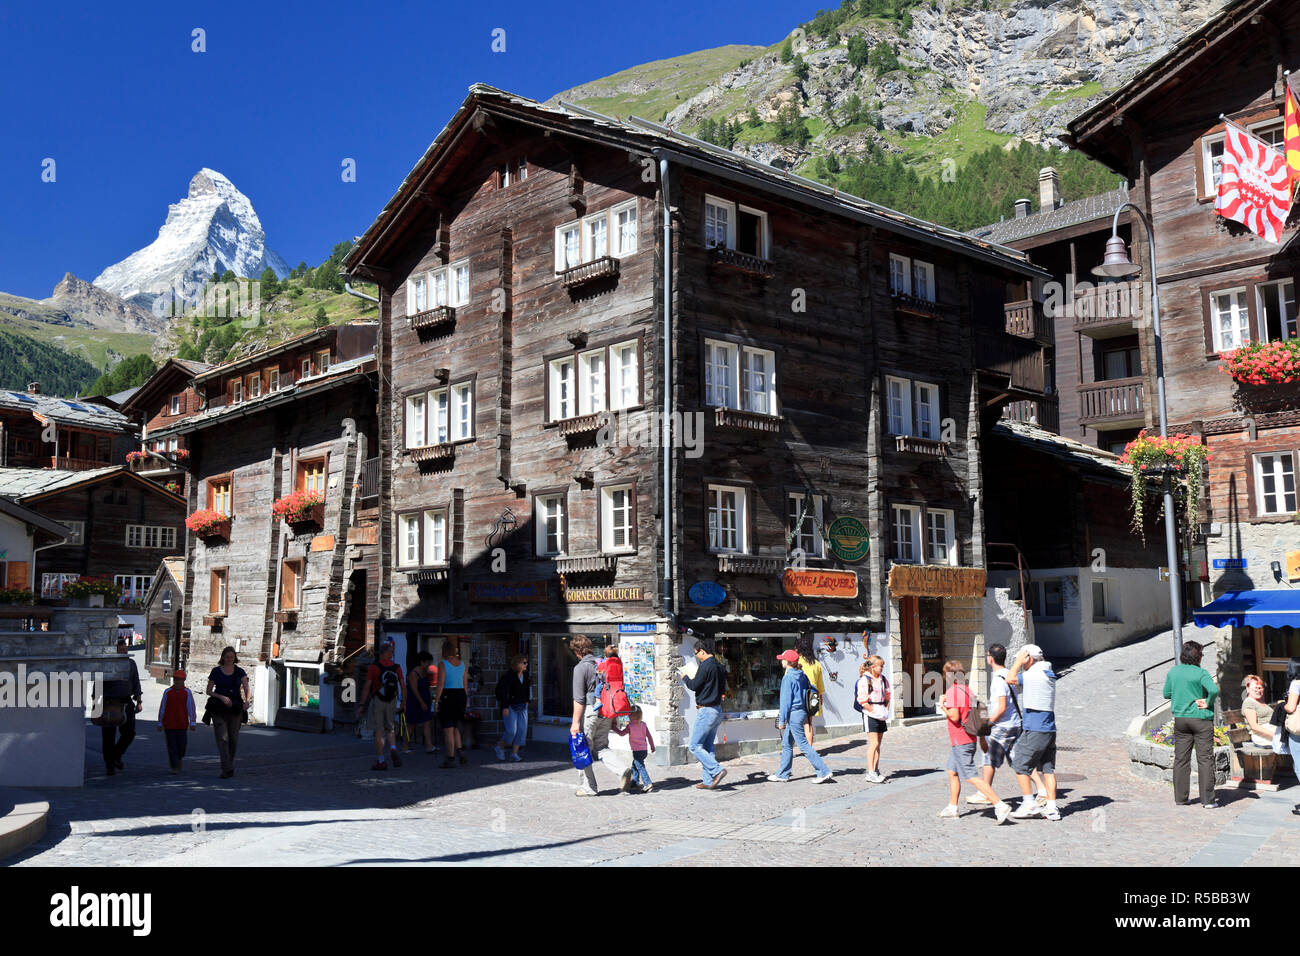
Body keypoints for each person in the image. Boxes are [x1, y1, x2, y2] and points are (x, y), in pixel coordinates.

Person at [968, 643, 1044, 806]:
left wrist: (988, 723)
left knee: (988, 757)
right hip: (1016, 723)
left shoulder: (997, 679)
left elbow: (1001, 707)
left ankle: (984, 792)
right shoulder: (1010, 674)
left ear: (990, 658)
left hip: (1002, 725)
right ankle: (1041, 789)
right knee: (1020, 758)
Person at [938, 660, 1013, 823]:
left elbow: (955, 717)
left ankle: (999, 804)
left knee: (971, 776)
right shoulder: (968, 691)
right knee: (952, 771)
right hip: (969, 738)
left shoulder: (952, 692)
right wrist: (981, 740)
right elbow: (977, 715)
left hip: (961, 740)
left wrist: (942, 704)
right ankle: (952, 807)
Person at [572, 635, 634, 796]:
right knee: (602, 747)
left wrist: (575, 723)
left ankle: (588, 787)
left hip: (591, 711)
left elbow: (579, 699)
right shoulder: (602, 663)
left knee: (582, 748)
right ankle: (622, 770)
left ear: (577, 651)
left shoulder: (581, 668)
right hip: (607, 711)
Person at [1161, 640, 1219, 808]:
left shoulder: (1173, 672)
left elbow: (1166, 694)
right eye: (1201, 654)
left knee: (1180, 759)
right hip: (1200, 719)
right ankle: (1207, 800)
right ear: (1197, 657)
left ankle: (1181, 798)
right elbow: (1214, 690)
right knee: (1205, 759)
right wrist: (1207, 701)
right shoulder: (1201, 673)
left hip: (1181, 719)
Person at [1005, 645, 1061, 820]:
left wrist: (1016, 663)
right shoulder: (1046, 672)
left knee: (1020, 764)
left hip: (1035, 728)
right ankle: (1052, 808)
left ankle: (1028, 803)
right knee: (1048, 770)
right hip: (1049, 728)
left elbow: (1010, 679)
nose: (1020, 662)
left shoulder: (1034, 674)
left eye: (1022, 658)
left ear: (1028, 658)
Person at [768, 649, 834, 784]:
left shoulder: (788, 677)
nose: (781, 661)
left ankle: (823, 771)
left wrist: (782, 720)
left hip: (794, 714)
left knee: (803, 744)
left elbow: (785, 701)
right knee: (787, 743)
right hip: (802, 712)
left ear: (788, 662)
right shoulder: (801, 674)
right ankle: (783, 773)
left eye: (783, 659)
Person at [682, 638, 728, 789]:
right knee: (708, 746)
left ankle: (717, 770)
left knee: (694, 746)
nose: (697, 657)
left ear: (702, 651)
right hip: (717, 709)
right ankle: (708, 781)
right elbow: (722, 689)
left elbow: (694, 685)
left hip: (706, 710)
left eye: (697, 654)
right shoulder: (720, 666)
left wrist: (685, 677)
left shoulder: (705, 666)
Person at [358, 641, 404, 771]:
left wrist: (362, 704)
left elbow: (367, 687)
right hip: (392, 700)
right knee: (390, 728)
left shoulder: (374, 667)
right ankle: (393, 748)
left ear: (381, 653)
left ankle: (381, 761)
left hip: (378, 700)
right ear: (388, 653)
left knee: (378, 731)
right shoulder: (397, 667)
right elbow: (403, 686)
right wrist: (403, 702)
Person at [206, 646, 250, 779]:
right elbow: (209, 691)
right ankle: (227, 768)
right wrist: (220, 696)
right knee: (222, 738)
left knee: (233, 739)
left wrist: (247, 701)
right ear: (223, 658)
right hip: (218, 707)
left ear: (234, 658)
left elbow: (247, 688)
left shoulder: (240, 672)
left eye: (232, 656)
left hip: (235, 707)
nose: (230, 659)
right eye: (227, 657)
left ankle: (228, 764)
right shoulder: (216, 671)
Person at [102, 636, 143, 776]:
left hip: (126, 702)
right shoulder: (107, 665)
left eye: (125, 649)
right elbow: (98, 683)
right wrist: (96, 703)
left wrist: (139, 700)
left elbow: (136, 682)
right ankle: (109, 764)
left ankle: (116, 755)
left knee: (129, 733)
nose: (124, 651)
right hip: (109, 702)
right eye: (121, 649)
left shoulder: (131, 664)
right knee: (108, 735)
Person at [156, 669, 196, 773]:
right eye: (176, 679)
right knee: (171, 746)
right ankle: (174, 766)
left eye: (180, 679)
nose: (177, 681)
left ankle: (179, 758)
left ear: (184, 680)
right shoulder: (168, 692)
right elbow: (162, 707)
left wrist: (192, 722)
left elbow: (191, 707)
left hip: (182, 724)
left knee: (182, 745)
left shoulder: (187, 692)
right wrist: (160, 722)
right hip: (169, 724)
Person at [856, 656, 889, 782]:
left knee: (878, 744)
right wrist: (872, 710)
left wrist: (885, 709)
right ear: (873, 666)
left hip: (881, 713)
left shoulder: (883, 679)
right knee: (873, 743)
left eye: (882, 666)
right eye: (880, 665)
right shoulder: (864, 680)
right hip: (871, 714)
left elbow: (887, 695)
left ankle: (876, 770)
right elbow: (862, 700)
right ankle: (870, 772)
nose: (881, 668)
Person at [436, 638, 468, 767]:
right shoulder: (462, 664)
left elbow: (440, 683)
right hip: (461, 695)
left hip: (448, 695)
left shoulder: (443, 664)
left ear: (444, 651)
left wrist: (437, 700)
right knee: (455, 726)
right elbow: (465, 683)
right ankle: (461, 752)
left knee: (448, 729)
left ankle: (450, 757)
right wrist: (465, 699)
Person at [494, 654, 530, 762]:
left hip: (523, 705)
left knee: (522, 731)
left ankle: (514, 753)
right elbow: (504, 692)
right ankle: (500, 747)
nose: (526, 665)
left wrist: (527, 700)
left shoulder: (526, 675)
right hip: (510, 706)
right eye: (524, 663)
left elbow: (527, 688)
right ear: (517, 664)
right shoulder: (508, 677)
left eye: (526, 662)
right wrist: (505, 707)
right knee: (511, 731)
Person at [612, 704, 656, 792]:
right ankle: (635, 782)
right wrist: (652, 746)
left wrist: (614, 728)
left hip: (637, 750)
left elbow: (621, 733)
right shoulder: (643, 724)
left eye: (628, 714)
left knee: (640, 766)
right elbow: (649, 736)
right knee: (635, 765)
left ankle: (647, 783)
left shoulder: (630, 726)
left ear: (631, 715)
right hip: (644, 750)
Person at [796, 635, 825, 744]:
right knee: (808, 724)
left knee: (796, 724)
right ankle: (809, 749)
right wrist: (820, 700)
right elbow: (820, 685)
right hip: (812, 698)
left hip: (798, 698)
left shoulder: (797, 663)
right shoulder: (816, 664)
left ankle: (797, 748)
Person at [405, 651, 436, 755]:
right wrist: (421, 702)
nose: (429, 664)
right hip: (415, 701)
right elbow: (414, 690)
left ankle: (429, 746)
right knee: (412, 724)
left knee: (427, 722)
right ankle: (406, 745)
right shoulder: (414, 673)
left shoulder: (425, 672)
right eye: (427, 662)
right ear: (422, 662)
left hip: (425, 700)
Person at [1240, 674, 1276, 749]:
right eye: (1255, 688)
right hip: (1262, 737)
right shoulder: (1249, 702)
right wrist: (1275, 735)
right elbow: (1254, 726)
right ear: (1248, 688)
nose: (1258, 690)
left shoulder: (1261, 702)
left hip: (1272, 732)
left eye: (1260, 688)